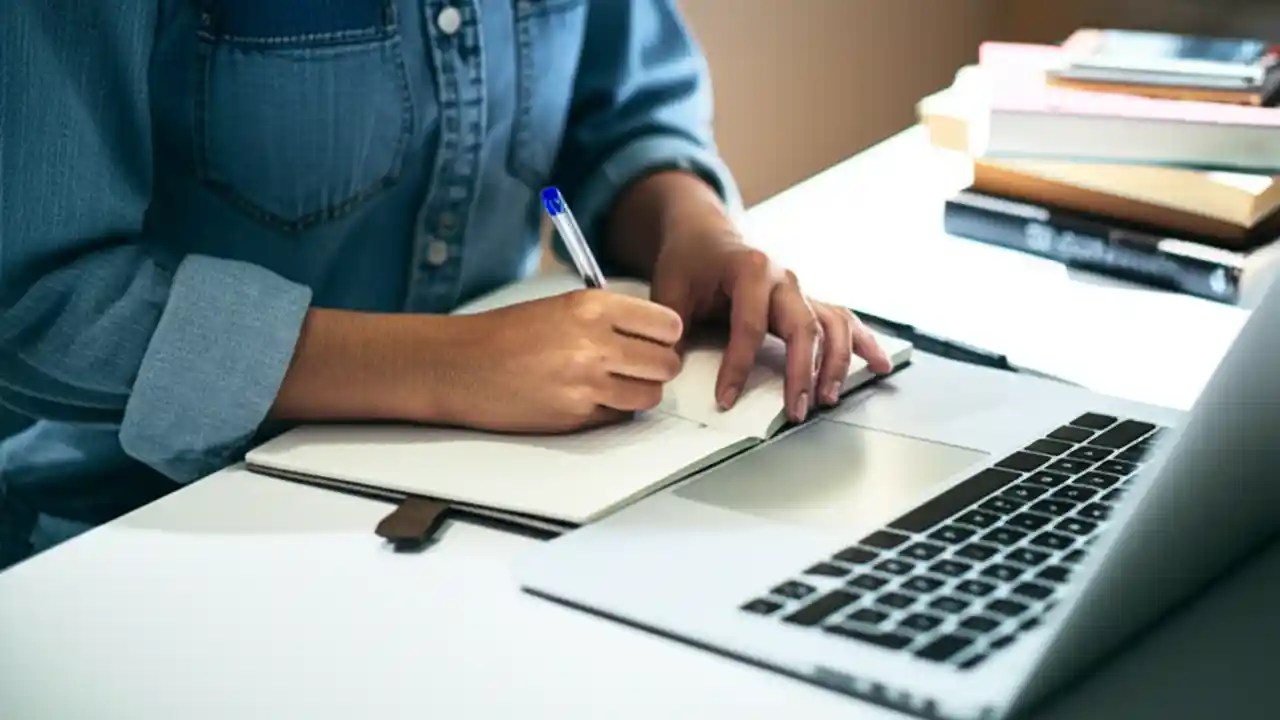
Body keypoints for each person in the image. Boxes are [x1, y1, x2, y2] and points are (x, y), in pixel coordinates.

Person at [0, 0, 889, 569]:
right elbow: (35, 297)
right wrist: (450, 367)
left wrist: (697, 231)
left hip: (503, 518)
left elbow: (623, 113)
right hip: (156, 537)